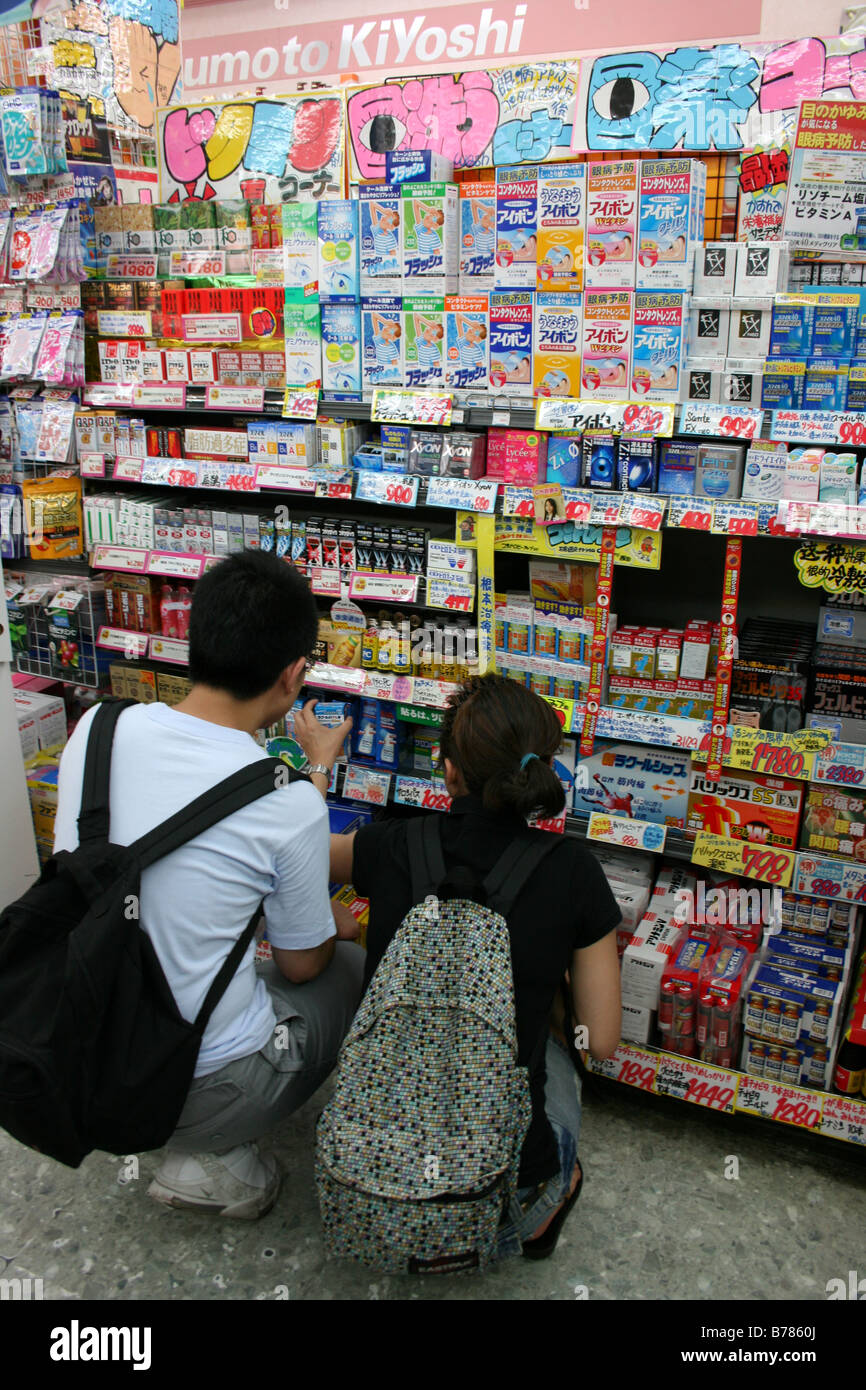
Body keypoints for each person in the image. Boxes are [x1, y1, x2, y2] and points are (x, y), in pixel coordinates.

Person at [53, 551, 364, 1220]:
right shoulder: (286, 803)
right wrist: (317, 777)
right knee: (354, 966)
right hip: (197, 1083)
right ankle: (217, 1156)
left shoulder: (95, 731)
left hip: (74, 1051)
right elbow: (302, 965)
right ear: (292, 676)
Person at [327, 674, 622, 1260]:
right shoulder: (574, 871)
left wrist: (316, 767)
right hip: (500, 1203)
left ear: (449, 769)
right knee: (557, 1054)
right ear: (541, 770)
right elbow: (605, 1040)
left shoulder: (389, 844)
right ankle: (536, 1219)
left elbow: (292, 855)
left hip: (372, 1191)